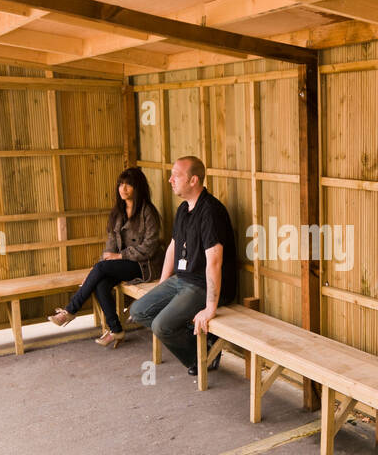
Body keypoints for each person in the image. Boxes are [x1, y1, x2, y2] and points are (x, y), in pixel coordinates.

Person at [130, 155, 237, 375]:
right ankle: (198, 342)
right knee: (139, 310)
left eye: (176, 175)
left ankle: (204, 357)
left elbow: (215, 262)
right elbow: (173, 247)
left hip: (202, 285)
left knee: (162, 325)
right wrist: (161, 284)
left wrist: (210, 308)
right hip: (181, 279)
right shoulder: (183, 209)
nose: (170, 180)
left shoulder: (210, 212)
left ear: (193, 180)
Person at [49, 167, 162, 347]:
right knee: (100, 283)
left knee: (100, 270)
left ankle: (70, 311)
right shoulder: (117, 212)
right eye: (120, 184)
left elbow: (149, 247)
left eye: (128, 185)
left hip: (143, 265)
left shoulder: (148, 213)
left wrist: (119, 256)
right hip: (121, 263)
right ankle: (116, 331)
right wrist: (101, 267)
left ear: (138, 187)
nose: (123, 189)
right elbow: (110, 242)